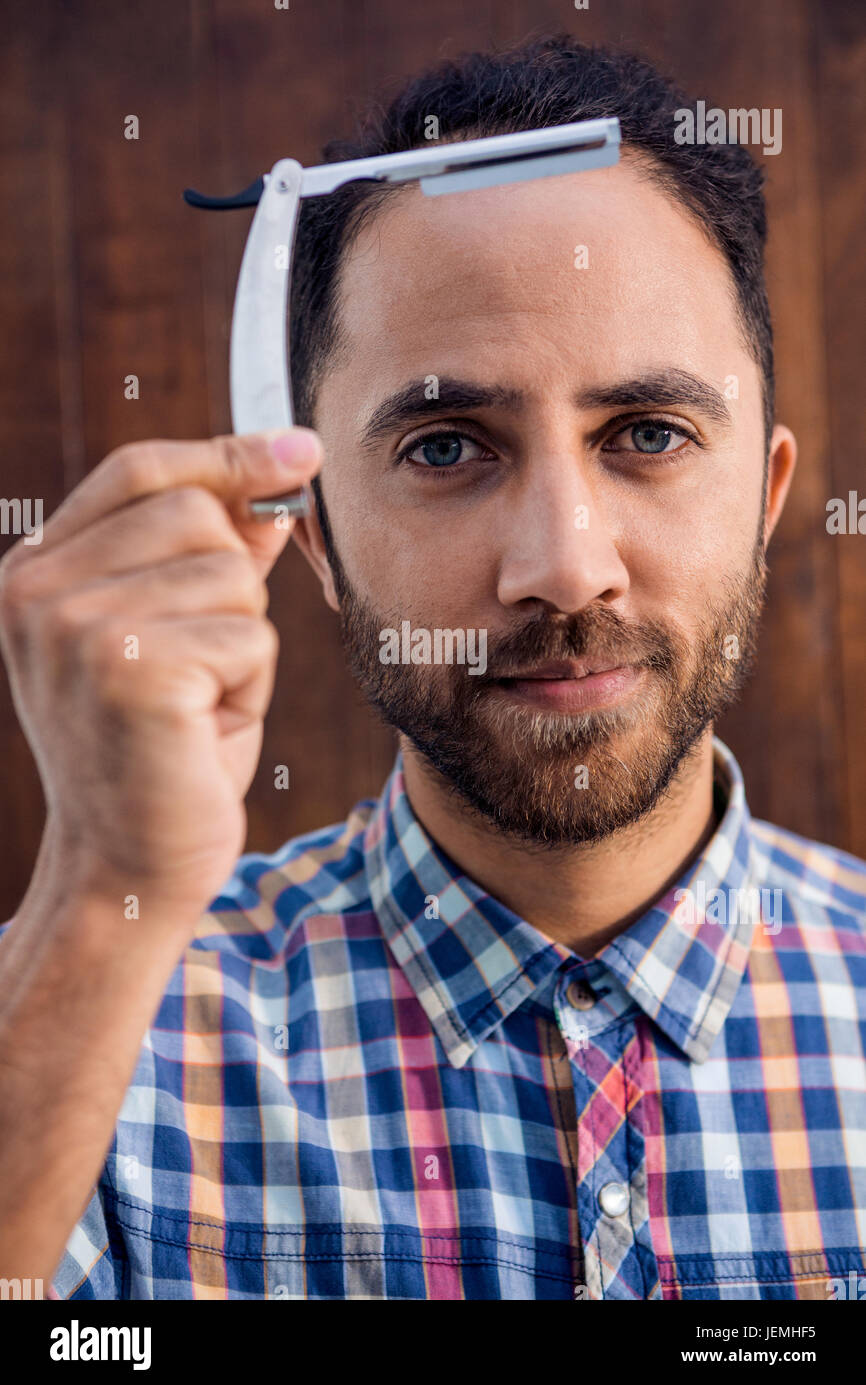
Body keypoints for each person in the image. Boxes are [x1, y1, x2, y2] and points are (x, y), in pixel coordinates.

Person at [0, 33, 863, 1302]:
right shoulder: (92, 1031)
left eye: (646, 433)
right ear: (312, 535)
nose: (564, 570)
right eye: (447, 447)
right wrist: (97, 895)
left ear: (765, 493)